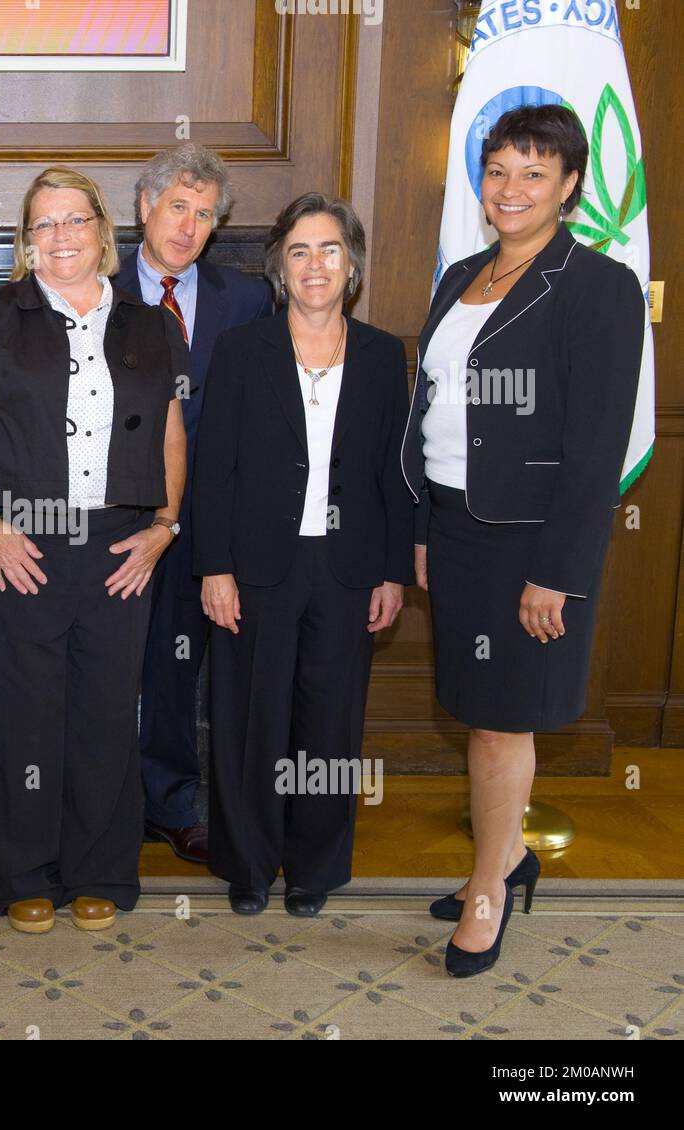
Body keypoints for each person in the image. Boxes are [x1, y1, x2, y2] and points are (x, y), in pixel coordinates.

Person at [402, 105, 646, 977]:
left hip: (531, 542)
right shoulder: (462, 275)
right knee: (477, 712)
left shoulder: (598, 286)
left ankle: (487, 894)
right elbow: (434, 411)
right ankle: (506, 855)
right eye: (499, 170)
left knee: (504, 723)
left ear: (571, 185)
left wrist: (558, 572)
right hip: (457, 526)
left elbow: (595, 447)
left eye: (534, 173)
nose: (512, 188)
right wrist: (426, 526)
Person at [0, 167, 187, 933]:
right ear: (25, 242)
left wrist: (166, 528)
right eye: (44, 224)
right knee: (23, 713)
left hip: (120, 544)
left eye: (75, 220)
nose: (61, 236)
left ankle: (101, 868)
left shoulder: (150, 325)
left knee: (108, 711)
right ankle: (25, 872)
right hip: (20, 543)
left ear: (103, 233)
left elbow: (171, 434)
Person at [194, 192, 412, 918]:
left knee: (329, 721)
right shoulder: (242, 351)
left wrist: (390, 570)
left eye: (329, 250)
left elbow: (393, 470)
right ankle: (250, 864)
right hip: (257, 566)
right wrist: (214, 567)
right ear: (278, 270)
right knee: (251, 719)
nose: (315, 265)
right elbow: (213, 466)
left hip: (349, 570)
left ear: (351, 265)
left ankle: (315, 867)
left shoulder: (383, 355)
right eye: (299, 252)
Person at [117, 143, 273, 864]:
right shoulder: (95, 286)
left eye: (205, 214)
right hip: (116, 520)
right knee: (109, 667)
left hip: (213, 521)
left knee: (182, 671)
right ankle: (106, 802)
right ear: (145, 206)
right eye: (177, 206)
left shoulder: (246, 299)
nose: (188, 225)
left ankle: (175, 806)